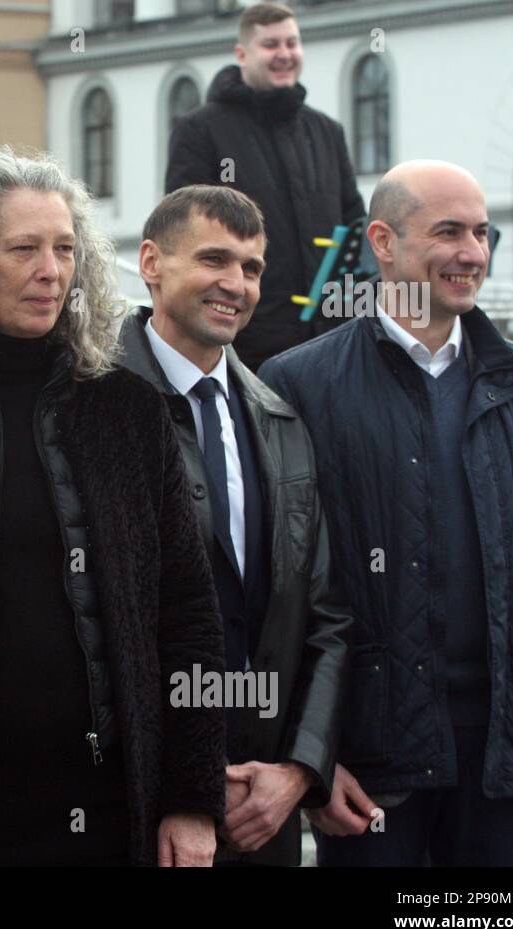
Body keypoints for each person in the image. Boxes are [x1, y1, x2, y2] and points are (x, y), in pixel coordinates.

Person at [0, 147, 228, 866]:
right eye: (24, 248)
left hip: (104, 800)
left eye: (65, 249)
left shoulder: (127, 412)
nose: (50, 272)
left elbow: (188, 615)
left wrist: (192, 800)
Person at [260, 160, 513, 866]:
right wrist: (309, 753)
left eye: (481, 232)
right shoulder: (298, 384)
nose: (473, 252)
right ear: (383, 241)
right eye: (448, 232)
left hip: (510, 755)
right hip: (370, 763)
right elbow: (280, 596)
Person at [117, 185, 351, 866]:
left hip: (263, 808)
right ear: (151, 262)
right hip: (140, 805)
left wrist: (299, 771)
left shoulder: (278, 417)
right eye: (215, 259)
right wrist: (181, 785)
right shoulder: (90, 402)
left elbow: (327, 615)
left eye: (251, 268)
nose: (236, 284)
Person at [166, 2, 364, 371]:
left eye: (292, 43)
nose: (285, 55)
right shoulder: (200, 131)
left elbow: (355, 225)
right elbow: (184, 237)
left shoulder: (326, 133)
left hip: (333, 341)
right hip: (247, 345)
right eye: (272, 45)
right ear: (242, 53)